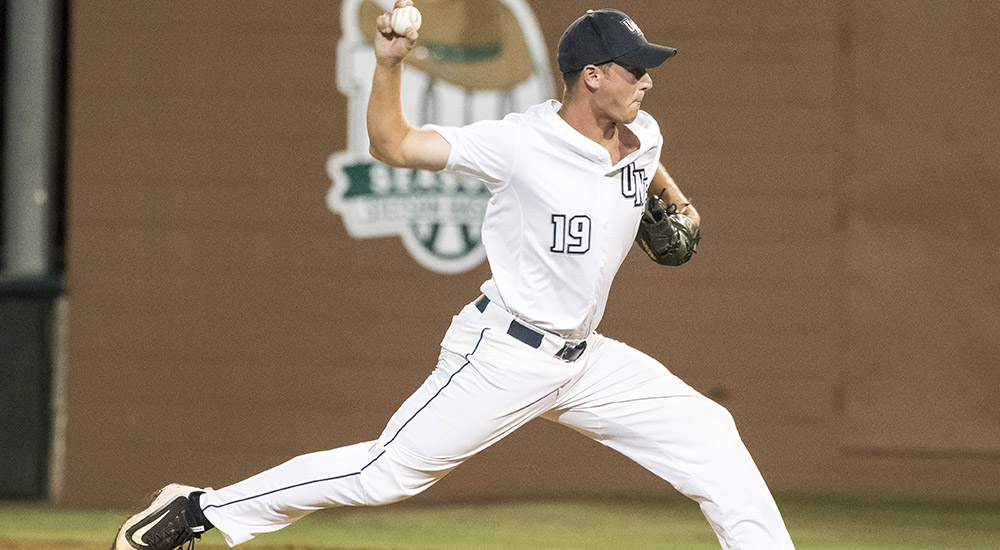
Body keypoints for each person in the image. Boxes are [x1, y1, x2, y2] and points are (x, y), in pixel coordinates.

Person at [111, 3, 795, 549]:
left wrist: (671, 204)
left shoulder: (642, 135)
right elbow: (394, 144)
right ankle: (194, 512)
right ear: (592, 75)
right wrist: (390, 64)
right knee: (384, 474)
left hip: (584, 361)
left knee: (709, 434)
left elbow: (654, 177)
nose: (647, 80)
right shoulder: (520, 144)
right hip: (504, 352)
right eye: (634, 69)